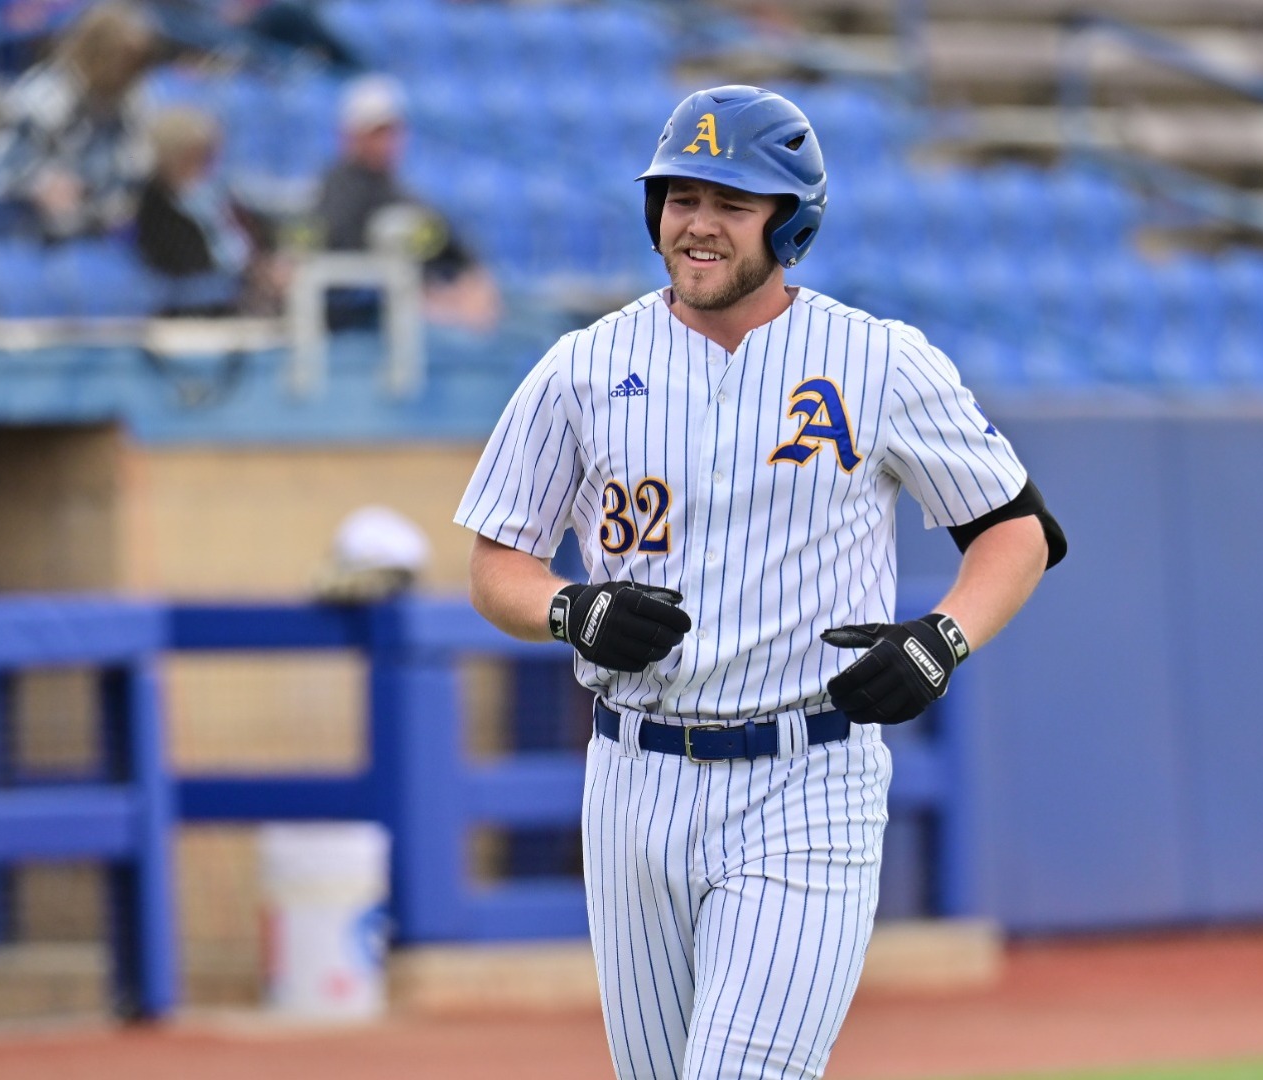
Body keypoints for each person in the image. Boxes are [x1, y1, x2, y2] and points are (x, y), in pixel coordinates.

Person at [455, 86, 1067, 1079]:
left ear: (790, 223)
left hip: (806, 771)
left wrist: (941, 638)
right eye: (680, 196)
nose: (697, 224)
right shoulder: (581, 365)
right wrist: (572, 607)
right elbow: (496, 562)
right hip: (633, 776)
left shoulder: (877, 361)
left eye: (731, 203)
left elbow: (1016, 530)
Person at [310, 75, 501, 332]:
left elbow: (448, 242)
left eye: (392, 131)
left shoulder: (395, 190)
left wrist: (471, 280)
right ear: (351, 135)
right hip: (367, 323)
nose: (387, 142)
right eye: (376, 132)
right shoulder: (341, 189)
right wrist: (424, 298)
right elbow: (343, 258)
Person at [0, 2, 160, 241]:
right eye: (122, 58)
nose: (126, 70)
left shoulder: (133, 102)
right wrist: (41, 183)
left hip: (104, 231)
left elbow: (137, 165)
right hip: (34, 234)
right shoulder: (45, 96)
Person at [133, 107, 281, 314]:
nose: (207, 165)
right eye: (198, 156)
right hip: (199, 313)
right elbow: (180, 275)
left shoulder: (223, 198)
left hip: (252, 298)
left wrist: (269, 266)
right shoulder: (155, 210)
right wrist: (248, 279)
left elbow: (261, 240)